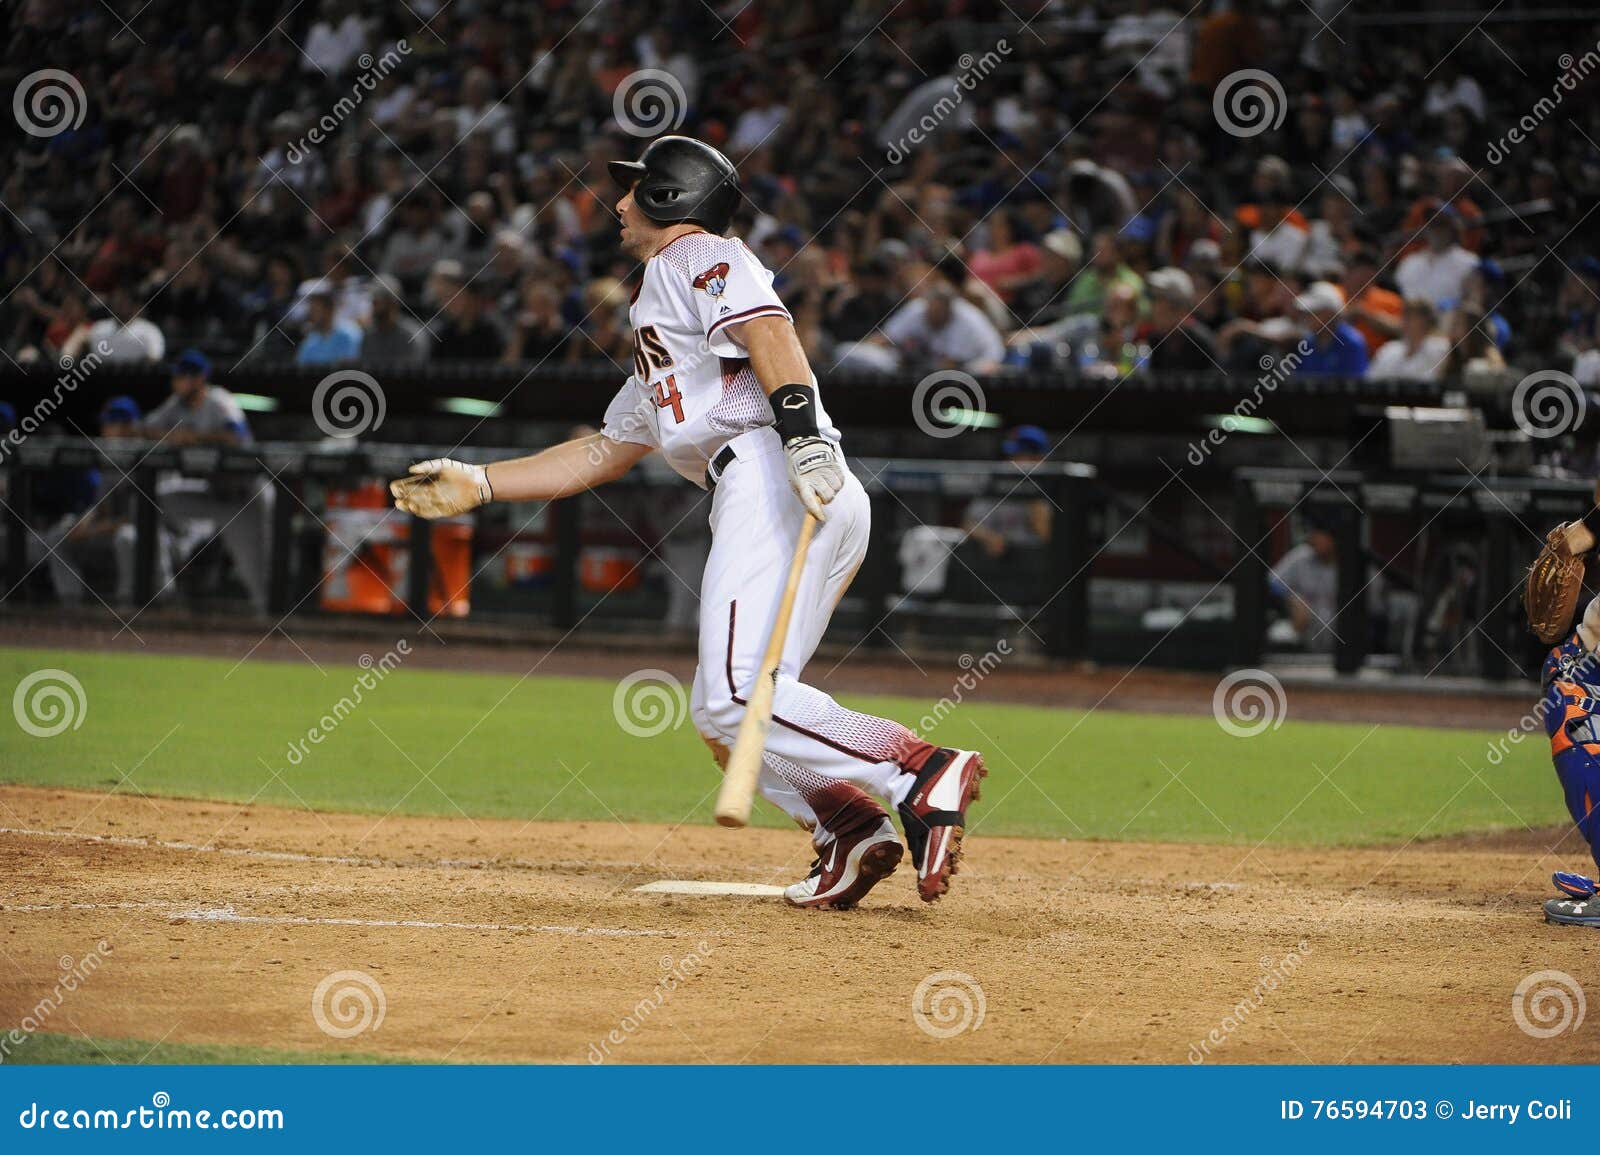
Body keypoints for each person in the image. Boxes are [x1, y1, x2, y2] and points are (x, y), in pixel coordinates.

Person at [392, 135, 986, 910]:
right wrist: (480, 482)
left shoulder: (694, 255)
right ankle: (846, 824)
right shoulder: (662, 326)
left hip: (777, 470)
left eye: (633, 190)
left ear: (671, 196)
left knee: (738, 694)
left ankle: (916, 766)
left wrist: (802, 437)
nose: (618, 203)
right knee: (723, 710)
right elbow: (607, 450)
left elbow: (771, 331)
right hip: (788, 483)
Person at [142, 349, 272, 613]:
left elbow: (237, 437)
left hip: (246, 497)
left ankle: (276, 632)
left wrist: (195, 438)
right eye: (176, 378)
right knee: (153, 502)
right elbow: (143, 429)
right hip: (213, 495)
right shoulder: (175, 405)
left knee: (257, 578)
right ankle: (165, 587)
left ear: (200, 379)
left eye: (184, 378)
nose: (177, 383)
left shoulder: (219, 400)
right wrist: (173, 435)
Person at [35, 396, 174, 607]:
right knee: (58, 537)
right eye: (106, 423)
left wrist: (93, 530)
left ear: (130, 427)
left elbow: (144, 518)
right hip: (116, 530)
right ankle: (70, 605)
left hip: (161, 535)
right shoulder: (110, 460)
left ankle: (129, 606)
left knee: (125, 538)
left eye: (111, 423)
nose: (105, 429)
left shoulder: (152, 457)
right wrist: (84, 523)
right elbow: (102, 506)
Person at [878, 282, 1005, 373]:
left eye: (938, 312)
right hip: (931, 363)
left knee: (975, 370)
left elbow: (949, 364)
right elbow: (884, 338)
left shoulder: (967, 319)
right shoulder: (917, 309)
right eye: (931, 310)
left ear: (949, 309)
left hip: (982, 360)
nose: (933, 316)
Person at [1365, 298, 1450, 381]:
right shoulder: (1389, 349)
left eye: (1413, 317)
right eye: (1405, 316)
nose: (1406, 321)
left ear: (1426, 321)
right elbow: (1371, 380)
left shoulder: (1441, 348)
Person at [295, 284, 363, 364]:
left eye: (316, 310)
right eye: (311, 310)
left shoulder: (350, 333)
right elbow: (300, 366)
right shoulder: (310, 340)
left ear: (329, 310)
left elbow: (350, 365)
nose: (311, 315)